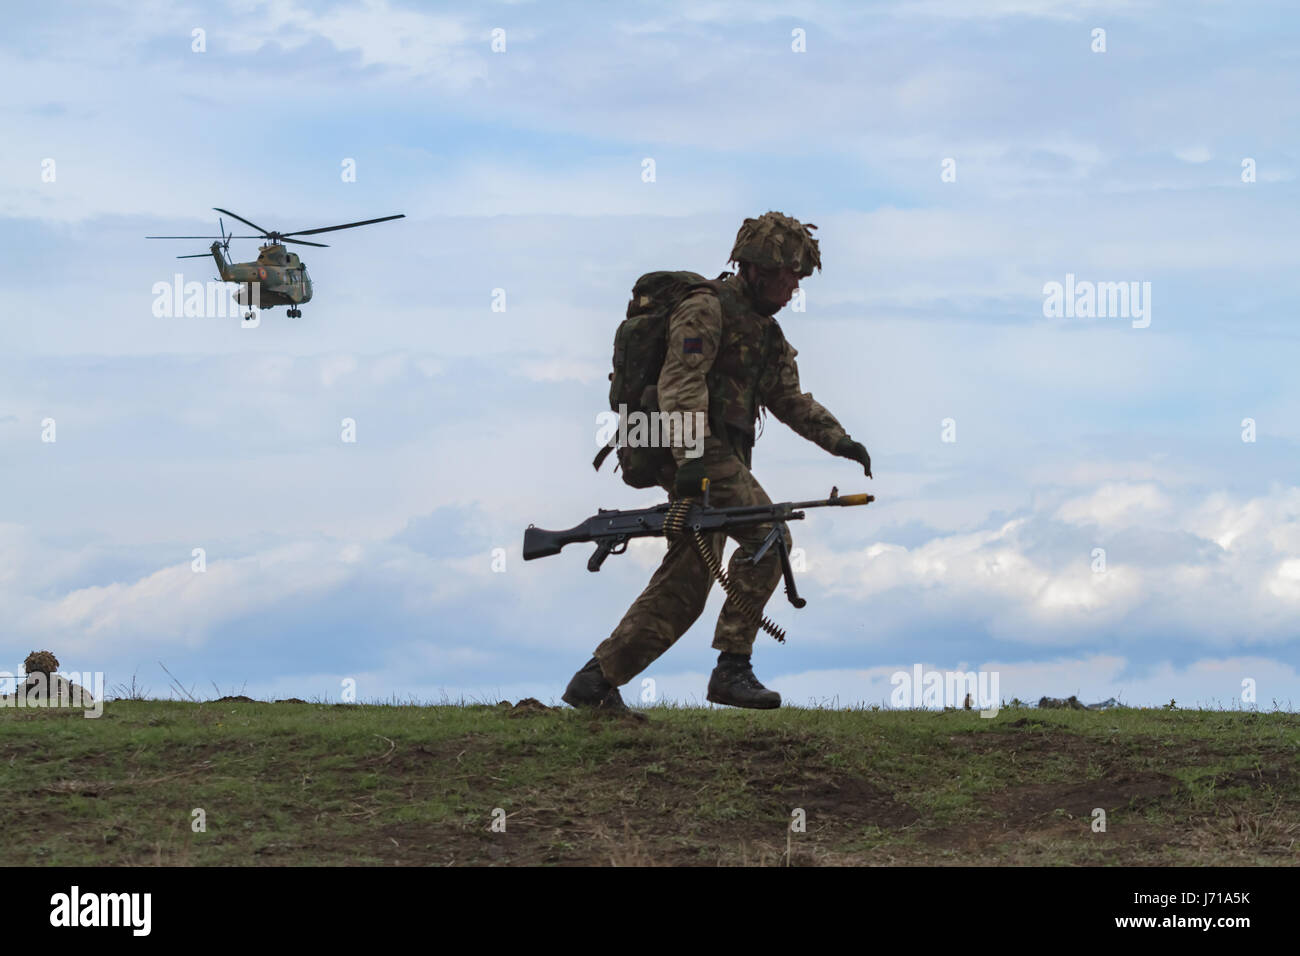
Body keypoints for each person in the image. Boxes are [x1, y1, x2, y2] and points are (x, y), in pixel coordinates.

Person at [563, 212, 872, 715]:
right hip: (689, 448)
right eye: (789, 274)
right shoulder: (706, 308)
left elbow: (788, 398)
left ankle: (594, 682)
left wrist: (839, 441)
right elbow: (679, 387)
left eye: (799, 277)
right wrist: (690, 461)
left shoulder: (765, 332)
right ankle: (732, 668)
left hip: (709, 453)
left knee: (687, 584)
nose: (795, 287)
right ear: (756, 267)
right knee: (768, 533)